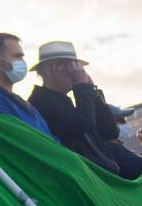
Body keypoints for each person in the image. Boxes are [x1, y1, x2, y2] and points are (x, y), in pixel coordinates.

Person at [28, 41, 139, 178]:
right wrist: (82, 88)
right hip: (86, 179)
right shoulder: (41, 103)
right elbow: (82, 124)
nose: (80, 73)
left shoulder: (62, 100)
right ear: (56, 67)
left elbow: (109, 132)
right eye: (75, 68)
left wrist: (92, 92)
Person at [0, 33, 57, 140]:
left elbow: (51, 141)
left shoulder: (26, 106)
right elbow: (23, 141)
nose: (23, 62)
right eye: (18, 56)